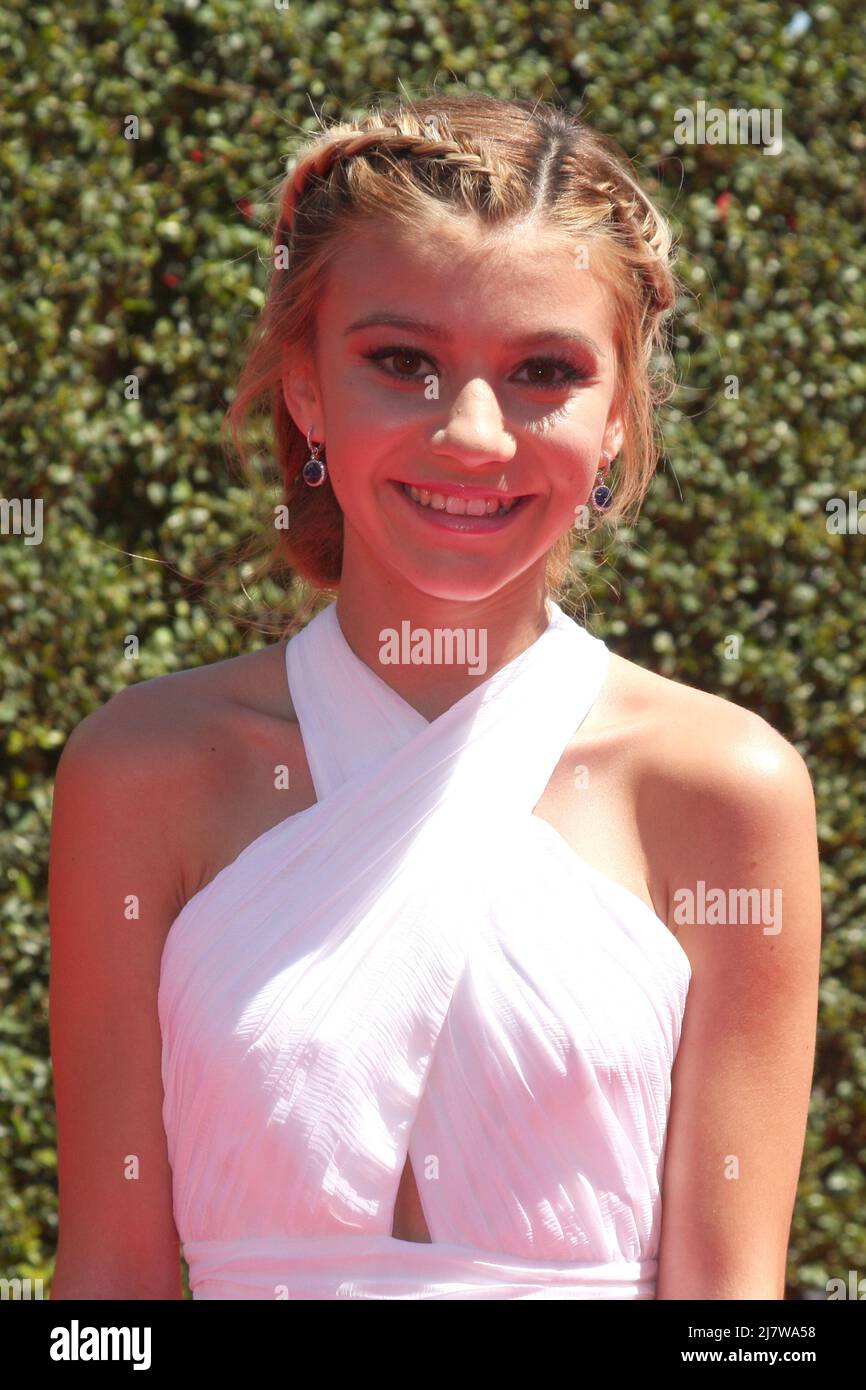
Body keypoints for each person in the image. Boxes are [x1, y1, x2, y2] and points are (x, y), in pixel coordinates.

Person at [49, 93, 821, 1300]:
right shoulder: (140, 771)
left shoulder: (723, 787)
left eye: (543, 372)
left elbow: (736, 1313)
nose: (471, 433)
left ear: (617, 415)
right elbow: (103, 1295)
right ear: (305, 385)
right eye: (401, 361)